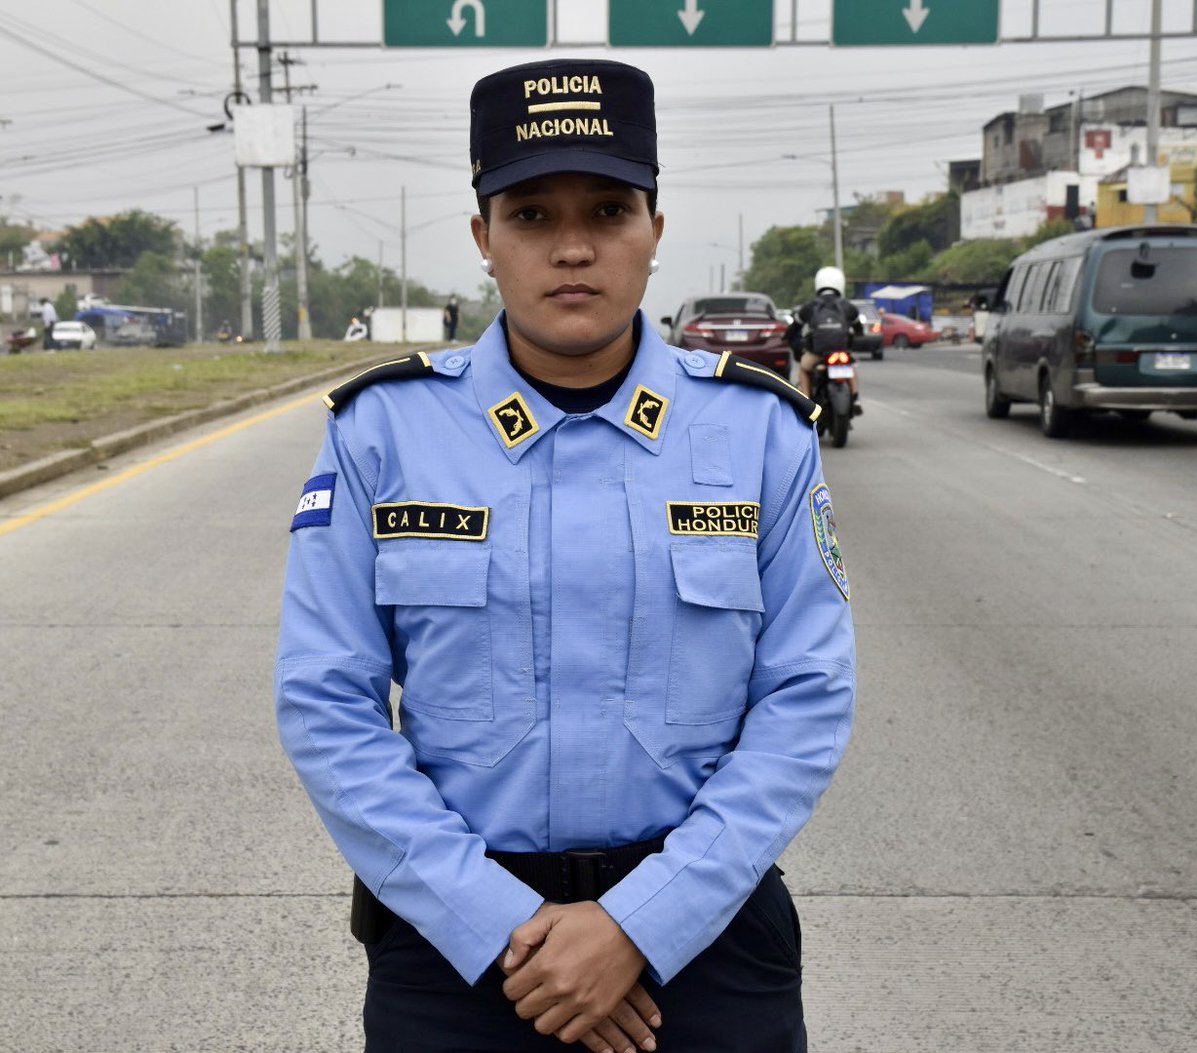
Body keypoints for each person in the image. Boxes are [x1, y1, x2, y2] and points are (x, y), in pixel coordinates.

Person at [276, 57, 855, 1053]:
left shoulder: (760, 434)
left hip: (703, 945)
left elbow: (806, 694)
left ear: (655, 234)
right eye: (533, 215)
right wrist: (501, 928)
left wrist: (643, 923)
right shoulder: (384, 434)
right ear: (483, 241)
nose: (574, 248)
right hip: (462, 951)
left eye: (609, 211)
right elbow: (326, 703)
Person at [787, 266, 862, 408]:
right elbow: (858, 328)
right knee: (850, 367)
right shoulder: (848, 306)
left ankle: (806, 402)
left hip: (817, 353)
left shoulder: (810, 306)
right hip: (841, 351)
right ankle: (856, 398)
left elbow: (795, 327)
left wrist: (787, 336)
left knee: (803, 368)